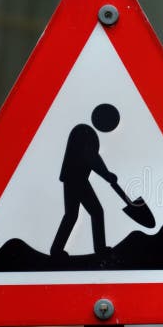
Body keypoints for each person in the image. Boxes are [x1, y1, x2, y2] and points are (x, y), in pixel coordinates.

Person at [50, 104, 120, 257]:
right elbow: (92, 158)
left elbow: (94, 157)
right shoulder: (85, 133)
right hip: (77, 178)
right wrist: (107, 175)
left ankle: (56, 250)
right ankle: (99, 249)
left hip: (73, 177)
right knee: (95, 211)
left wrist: (107, 173)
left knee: (72, 215)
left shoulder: (85, 132)